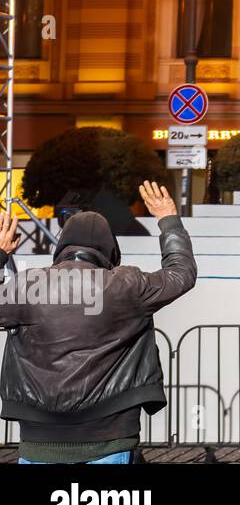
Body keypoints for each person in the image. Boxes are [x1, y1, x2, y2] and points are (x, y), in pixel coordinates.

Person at [0, 181, 197, 465]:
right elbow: (182, 274)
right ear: (110, 249)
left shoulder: (27, 285)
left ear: (62, 246)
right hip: (111, 434)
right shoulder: (127, 283)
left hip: (39, 435)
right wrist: (168, 219)